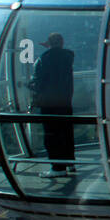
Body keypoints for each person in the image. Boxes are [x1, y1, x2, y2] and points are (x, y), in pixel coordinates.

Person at [30, 33, 75, 173]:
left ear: (49, 43)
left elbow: (39, 82)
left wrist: (32, 87)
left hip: (49, 103)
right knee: (66, 132)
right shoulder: (68, 57)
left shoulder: (44, 59)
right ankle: (70, 162)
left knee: (51, 135)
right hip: (65, 102)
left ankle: (57, 167)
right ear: (62, 43)